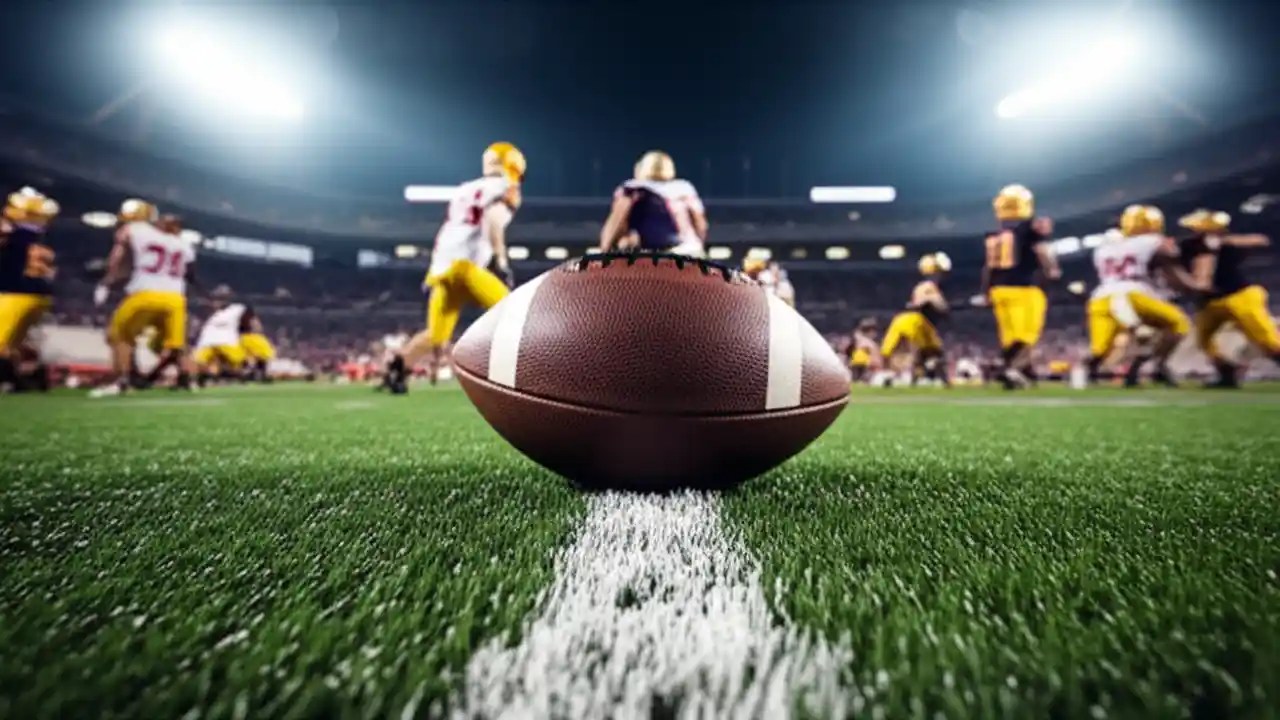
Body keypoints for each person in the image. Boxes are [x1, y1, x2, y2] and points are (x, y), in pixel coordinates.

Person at [386, 142, 525, 394]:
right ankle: (521, 377)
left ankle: (398, 368)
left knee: (436, 336)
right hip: (463, 268)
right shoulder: (507, 186)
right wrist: (502, 262)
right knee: (512, 314)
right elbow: (494, 221)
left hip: (442, 268)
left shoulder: (465, 189)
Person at [983, 184, 1060, 388]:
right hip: (1024, 287)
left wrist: (985, 291)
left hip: (998, 290)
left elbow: (988, 268)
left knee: (1010, 337)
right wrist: (1052, 270)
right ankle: (1004, 364)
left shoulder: (995, 234)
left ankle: (1022, 373)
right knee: (1026, 335)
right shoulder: (1029, 228)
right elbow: (1043, 250)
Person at [0, 187, 59, 392]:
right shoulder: (44, 238)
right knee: (13, 346)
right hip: (41, 298)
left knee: (2, 345)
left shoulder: (14, 235)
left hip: (15, 294)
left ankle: (15, 382)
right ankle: (34, 377)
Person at [599, 151, 708, 257]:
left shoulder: (632, 188)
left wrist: (605, 249)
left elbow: (616, 222)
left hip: (646, 255)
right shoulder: (684, 188)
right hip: (686, 251)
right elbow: (700, 225)